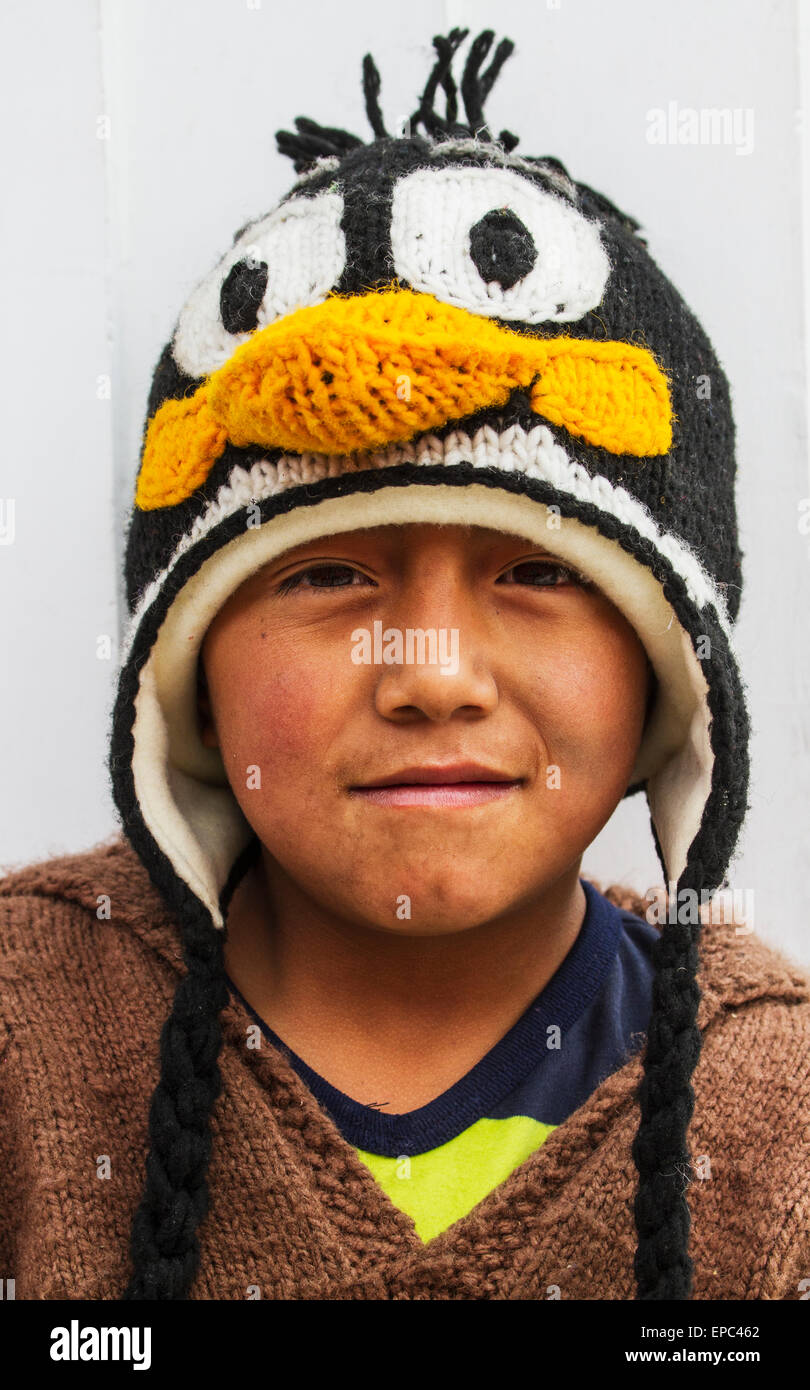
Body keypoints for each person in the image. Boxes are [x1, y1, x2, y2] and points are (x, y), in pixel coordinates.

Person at [1, 26, 809, 1303]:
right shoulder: (25, 1026)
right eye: (329, 574)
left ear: (670, 682)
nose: (433, 675)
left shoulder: (782, 1123)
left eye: (540, 573)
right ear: (187, 674)